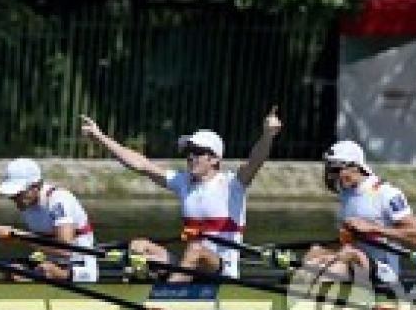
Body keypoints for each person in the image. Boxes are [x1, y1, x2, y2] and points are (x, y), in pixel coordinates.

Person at [79, 106, 283, 281]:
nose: (191, 157)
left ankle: (166, 296)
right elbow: (141, 164)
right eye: (189, 152)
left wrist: (267, 135)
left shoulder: (232, 185)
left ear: (214, 159)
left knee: (194, 250)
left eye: (198, 152)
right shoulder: (183, 182)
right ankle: (149, 288)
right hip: (189, 264)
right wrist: (100, 137)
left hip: (221, 269)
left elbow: (255, 160)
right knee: (139, 246)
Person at [303, 140, 416, 288]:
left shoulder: (387, 194)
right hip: (353, 258)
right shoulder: (346, 191)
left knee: (339, 262)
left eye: (336, 170)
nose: (332, 176)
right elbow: (330, 181)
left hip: (384, 269)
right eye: (330, 171)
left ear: (356, 166)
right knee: (314, 252)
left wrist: (372, 228)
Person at [0, 158, 98, 282]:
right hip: (50, 264)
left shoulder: (59, 201)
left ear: (37, 185)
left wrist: (17, 235)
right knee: (8, 270)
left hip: (80, 269)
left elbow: (65, 249)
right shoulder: (27, 204)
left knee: (40, 270)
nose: (14, 197)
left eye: (19, 192)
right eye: (12, 193)